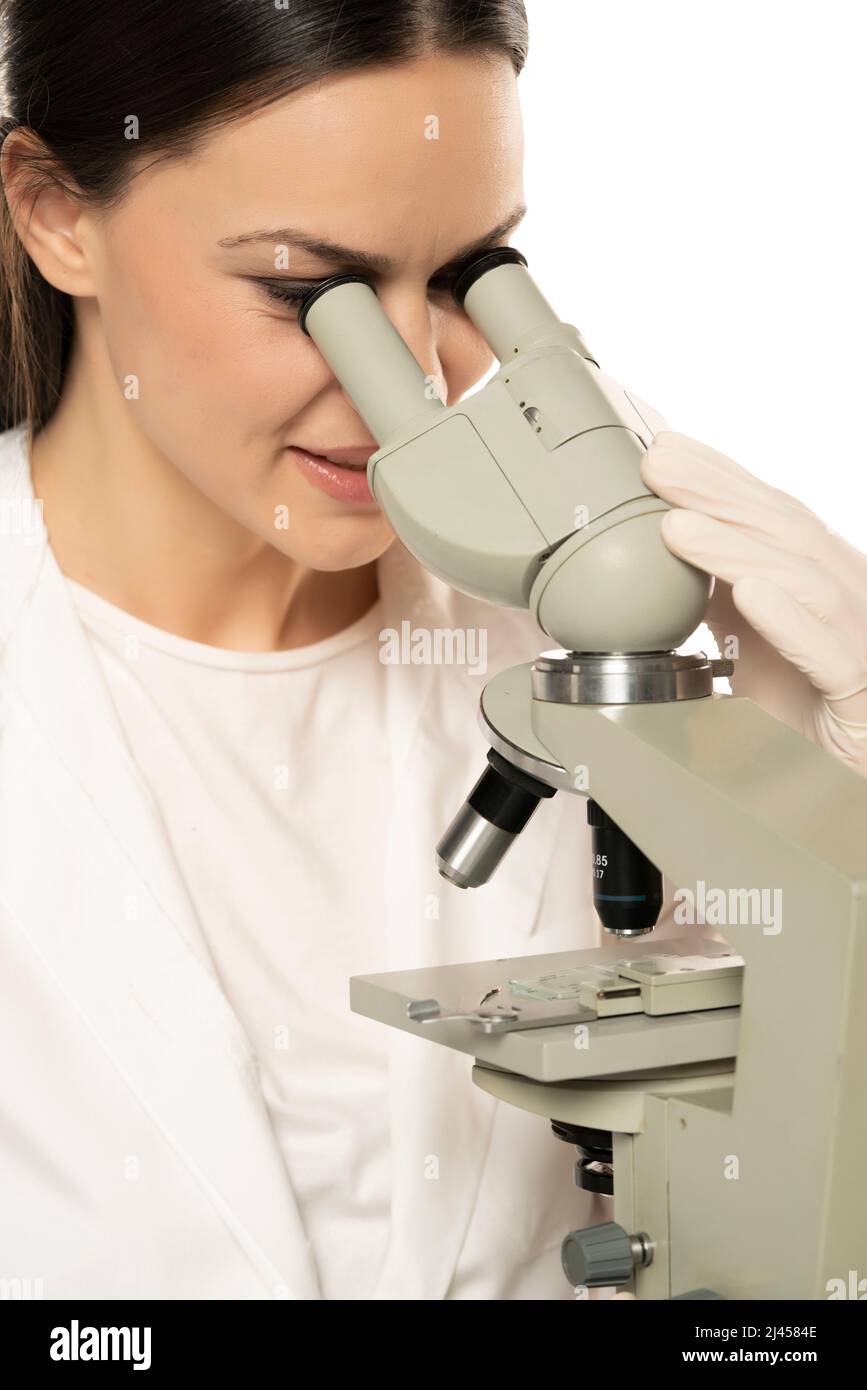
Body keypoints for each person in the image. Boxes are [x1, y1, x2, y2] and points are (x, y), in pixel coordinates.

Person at [0, 0, 864, 1302]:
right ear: (58, 211)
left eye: (467, 278)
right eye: (310, 293)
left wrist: (823, 802)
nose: (407, 372)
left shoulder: (576, 604)